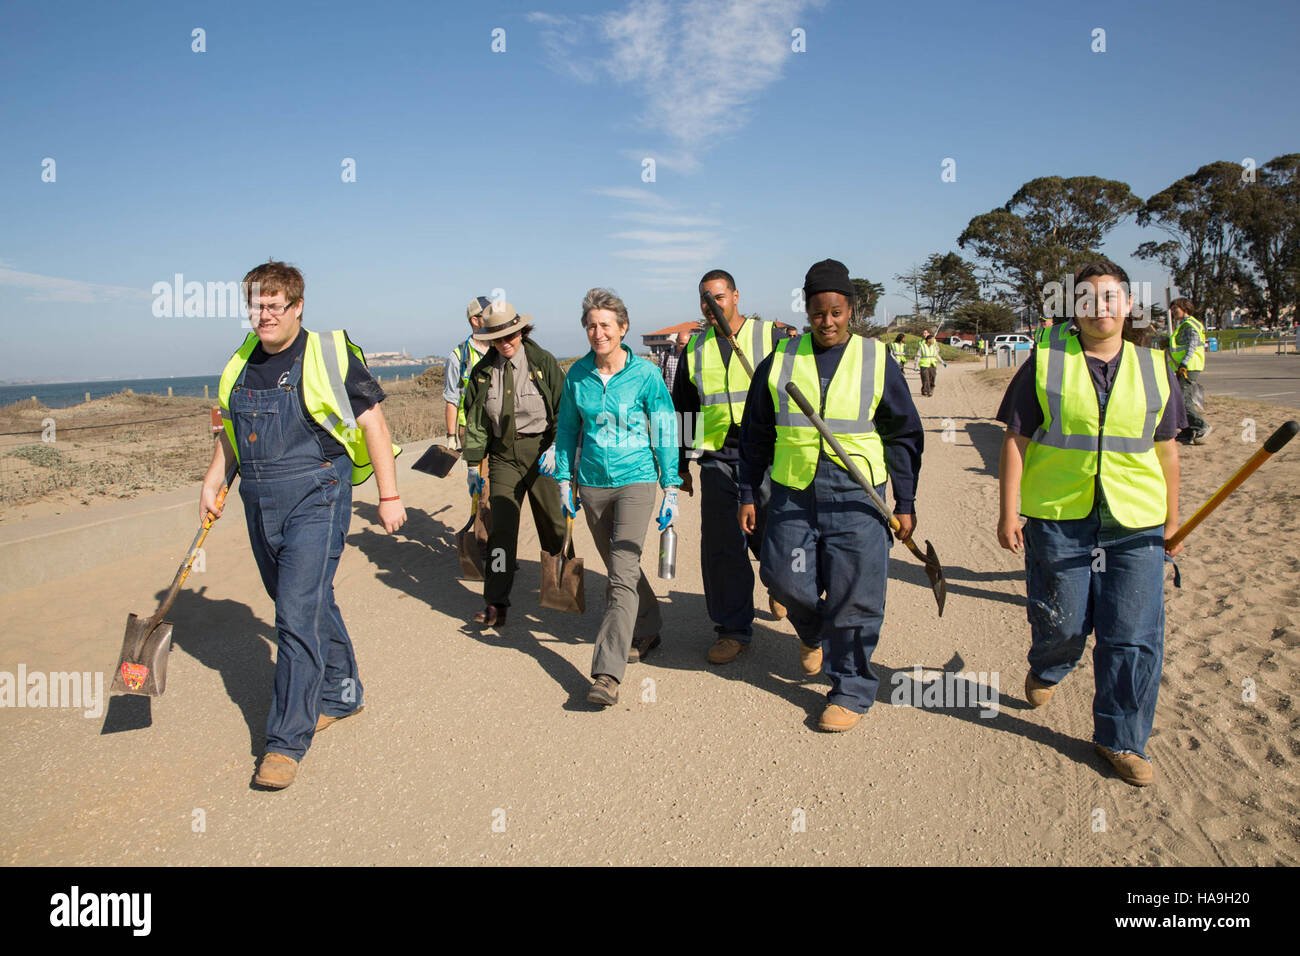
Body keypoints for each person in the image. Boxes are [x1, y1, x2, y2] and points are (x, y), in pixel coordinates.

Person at [203, 260, 405, 790]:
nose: (263, 315)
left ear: (297, 307)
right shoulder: (240, 363)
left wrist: (389, 495)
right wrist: (214, 478)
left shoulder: (329, 355)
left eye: (273, 306)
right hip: (259, 499)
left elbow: (373, 424)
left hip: (319, 495)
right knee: (308, 601)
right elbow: (231, 426)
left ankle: (285, 742)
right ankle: (341, 691)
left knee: (294, 612)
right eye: (256, 306)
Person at [995, 261, 1188, 787]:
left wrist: (1173, 517)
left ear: (1128, 306)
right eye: (1088, 299)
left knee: (1133, 634)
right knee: (1062, 620)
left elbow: (1166, 448)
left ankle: (1120, 739)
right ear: (1074, 309)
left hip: (1136, 521)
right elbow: (1016, 439)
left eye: (1111, 298)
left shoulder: (1155, 366)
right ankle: (1049, 664)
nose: (1100, 308)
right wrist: (1008, 510)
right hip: (1060, 515)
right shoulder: (1045, 362)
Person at [739, 259, 924, 732]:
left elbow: (904, 434)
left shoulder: (876, 358)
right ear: (807, 310)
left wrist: (905, 502)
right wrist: (746, 491)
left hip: (857, 495)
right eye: (818, 313)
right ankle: (814, 632)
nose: (827, 322)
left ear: (851, 310)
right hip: (793, 492)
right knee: (783, 578)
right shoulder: (780, 360)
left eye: (836, 312)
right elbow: (757, 433)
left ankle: (850, 689)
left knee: (856, 594)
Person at [553, 289, 681, 705]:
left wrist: (671, 486)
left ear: (622, 329)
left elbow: (663, 426)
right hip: (591, 483)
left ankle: (606, 673)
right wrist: (563, 479)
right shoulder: (577, 375)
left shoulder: (644, 374)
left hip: (637, 479)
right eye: (591, 325)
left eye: (605, 324)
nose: (597, 332)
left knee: (620, 573)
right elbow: (568, 430)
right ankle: (650, 623)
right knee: (616, 564)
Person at [672, 269, 786, 665]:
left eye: (718, 297)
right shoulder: (694, 348)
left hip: (769, 456)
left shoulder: (770, 336)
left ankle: (781, 587)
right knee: (722, 546)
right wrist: (682, 462)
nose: (711, 305)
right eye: (704, 299)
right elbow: (684, 408)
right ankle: (733, 629)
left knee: (774, 535)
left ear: (735, 296)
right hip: (718, 458)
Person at [461, 302, 567, 627]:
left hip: (541, 453)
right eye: (498, 338)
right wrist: (472, 464)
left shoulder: (543, 362)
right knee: (501, 532)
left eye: (512, 334)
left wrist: (556, 447)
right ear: (490, 340)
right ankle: (495, 602)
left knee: (555, 526)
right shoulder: (481, 374)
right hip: (503, 456)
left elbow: (565, 410)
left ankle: (559, 590)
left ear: (522, 331)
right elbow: (477, 422)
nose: (507, 342)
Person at [443, 296, 492, 450]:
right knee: (477, 474)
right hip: (471, 429)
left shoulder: (501, 347)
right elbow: (452, 399)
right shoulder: (458, 356)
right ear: (475, 320)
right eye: (488, 315)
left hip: (499, 425)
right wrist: (451, 437)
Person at [1168, 297, 1210, 444]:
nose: (1173, 312)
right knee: (1178, 398)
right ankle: (1187, 430)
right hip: (1184, 366)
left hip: (1189, 367)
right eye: (1172, 309)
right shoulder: (1184, 324)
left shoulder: (1189, 325)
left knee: (1183, 400)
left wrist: (1184, 363)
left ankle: (1201, 425)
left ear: (1184, 308)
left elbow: (1192, 344)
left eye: (1175, 309)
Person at [914, 331, 946, 396]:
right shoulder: (922, 347)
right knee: (926, 378)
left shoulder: (933, 347)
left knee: (932, 378)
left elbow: (937, 355)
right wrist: (916, 366)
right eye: (932, 340)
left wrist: (942, 362)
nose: (933, 341)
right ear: (928, 340)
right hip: (924, 365)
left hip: (932, 365)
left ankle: (926, 389)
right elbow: (918, 356)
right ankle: (928, 391)